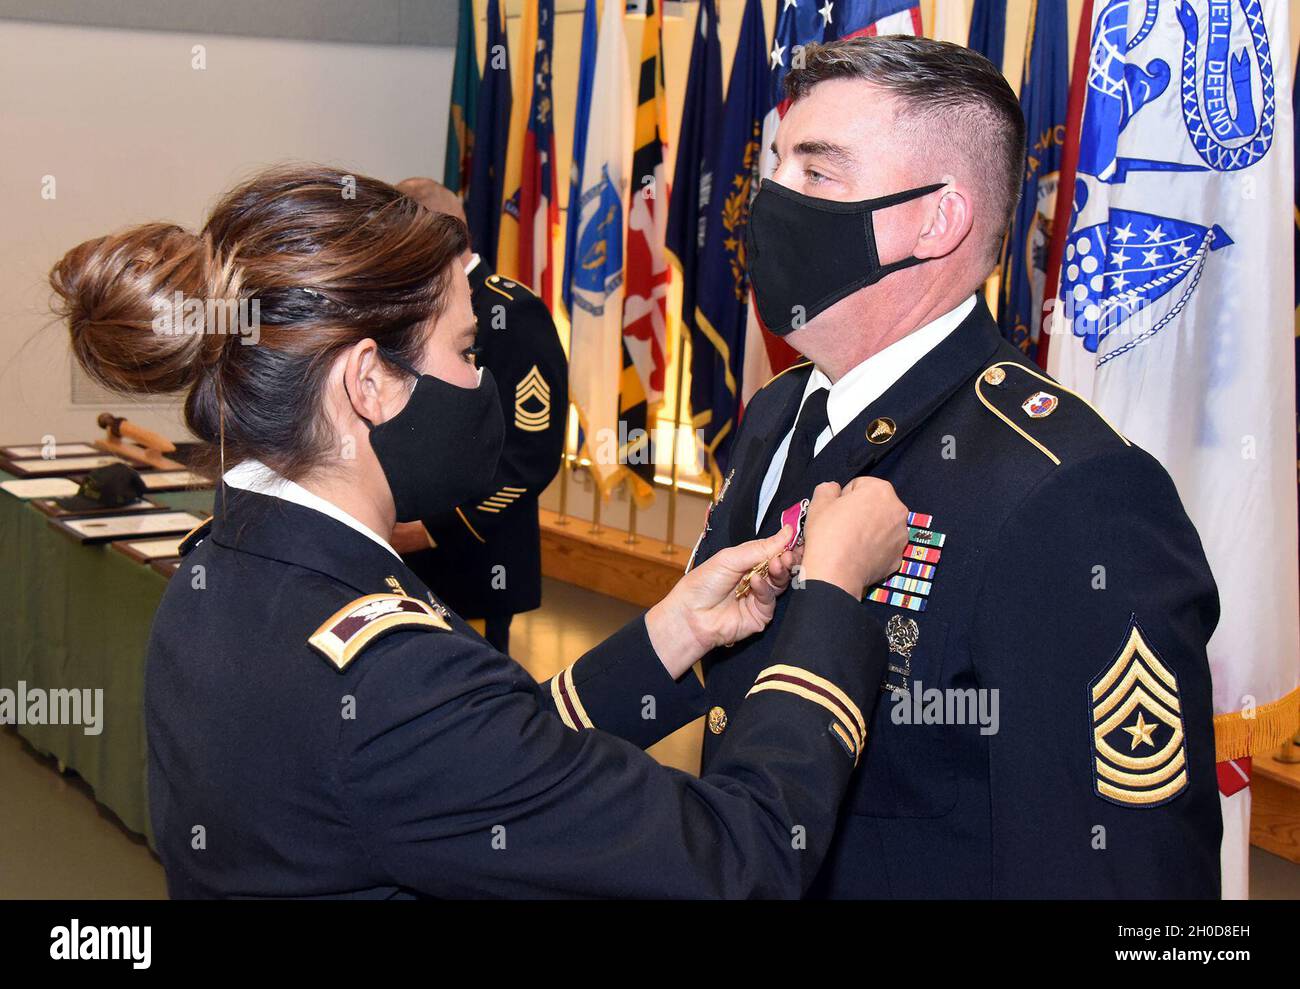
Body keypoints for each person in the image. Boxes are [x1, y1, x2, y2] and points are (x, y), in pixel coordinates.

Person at [49, 164, 911, 899]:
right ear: (369, 384)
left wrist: (676, 631)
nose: (480, 383)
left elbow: (492, 758)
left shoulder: (230, 565)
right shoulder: (387, 673)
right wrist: (831, 598)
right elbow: (741, 858)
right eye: (465, 353)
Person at [690, 37, 1223, 898]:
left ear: (938, 219)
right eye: (775, 163)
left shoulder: (1068, 493)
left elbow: (1124, 878)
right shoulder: (780, 414)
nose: (770, 199)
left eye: (816, 174)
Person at [389, 177, 565, 655]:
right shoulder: (410, 307)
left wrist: (433, 528)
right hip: (402, 552)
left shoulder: (513, 313)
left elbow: (529, 456)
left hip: (476, 558)